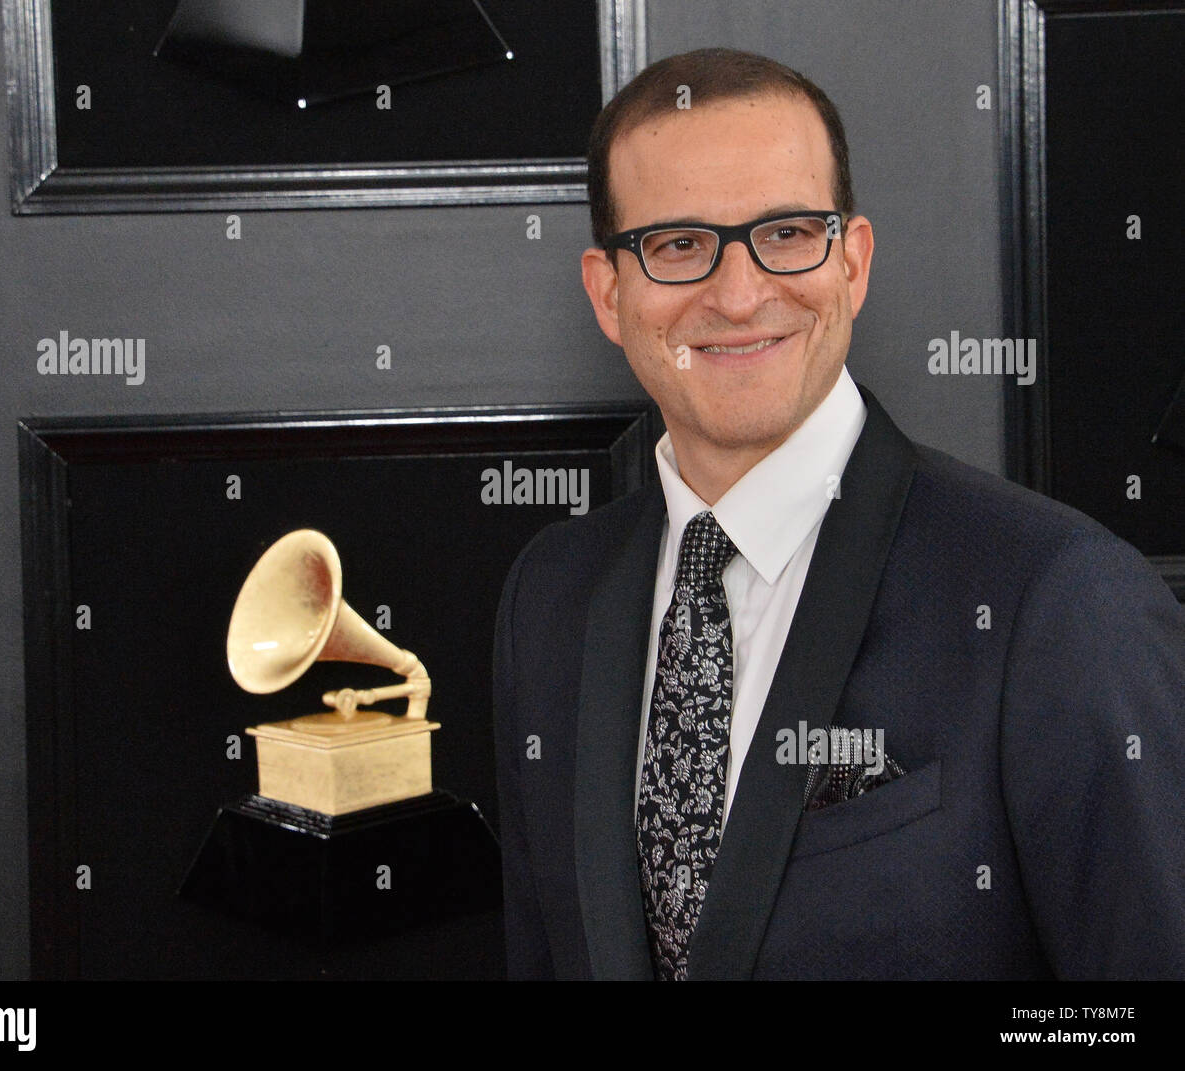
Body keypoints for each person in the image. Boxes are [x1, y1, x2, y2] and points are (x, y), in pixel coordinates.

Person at [490, 47, 1185, 981]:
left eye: (785, 233)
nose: (738, 295)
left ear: (851, 263)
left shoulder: (1058, 599)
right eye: (680, 244)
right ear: (610, 293)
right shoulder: (549, 595)